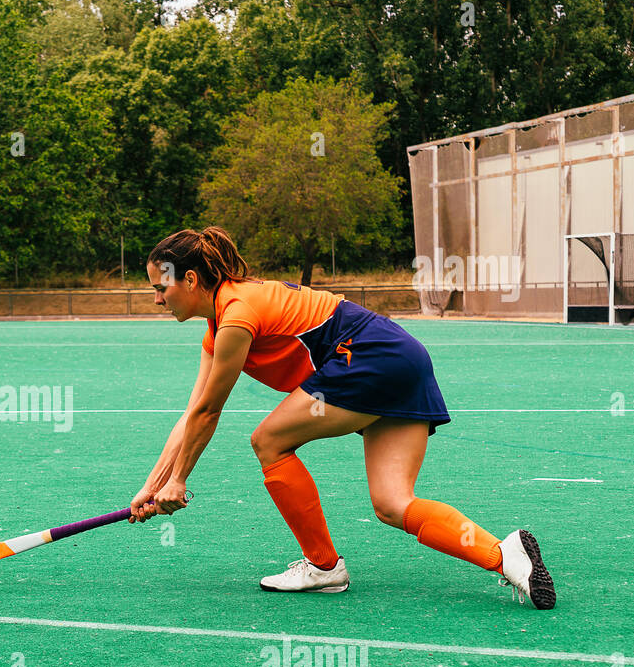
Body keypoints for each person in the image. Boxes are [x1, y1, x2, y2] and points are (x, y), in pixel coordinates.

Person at [129, 226, 555, 609]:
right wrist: (152, 487)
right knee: (393, 504)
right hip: (401, 358)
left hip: (368, 357)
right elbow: (192, 415)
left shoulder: (237, 314)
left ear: (189, 279)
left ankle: (323, 567)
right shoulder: (219, 326)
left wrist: (178, 481)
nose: (156, 299)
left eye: (160, 288)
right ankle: (505, 555)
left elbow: (209, 411)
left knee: (269, 441)